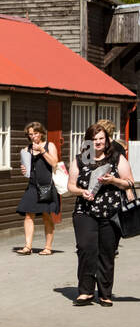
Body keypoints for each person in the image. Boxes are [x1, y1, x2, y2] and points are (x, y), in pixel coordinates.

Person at [66, 122, 135, 306]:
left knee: (107, 253)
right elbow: (71, 186)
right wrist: (82, 192)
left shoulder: (116, 157)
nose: (97, 142)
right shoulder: (82, 159)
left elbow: (130, 182)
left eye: (101, 139)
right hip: (85, 211)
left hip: (111, 212)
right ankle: (86, 292)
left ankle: (105, 293)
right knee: (86, 248)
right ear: (88, 141)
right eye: (94, 139)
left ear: (106, 140)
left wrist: (113, 180)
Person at [15, 122, 59, 255]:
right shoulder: (27, 149)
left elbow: (54, 163)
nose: (33, 136)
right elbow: (26, 169)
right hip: (33, 185)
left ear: (41, 133)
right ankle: (28, 246)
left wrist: (42, 150)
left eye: (35, 133)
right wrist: (23, 170)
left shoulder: (49, 145)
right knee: (28, 214)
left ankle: (48, 247)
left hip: (46, 185)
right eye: (30, 134)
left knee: (46, 215)